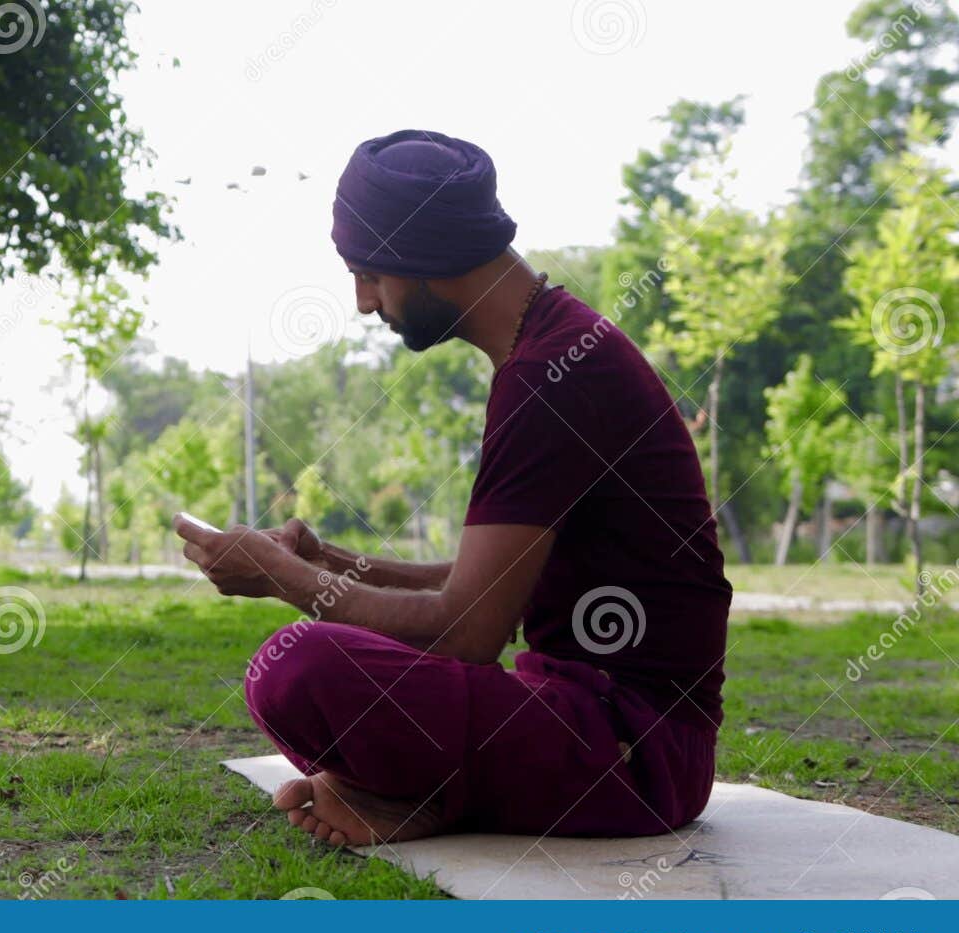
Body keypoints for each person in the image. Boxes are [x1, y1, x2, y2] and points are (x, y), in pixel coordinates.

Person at [174, 129, 731, 845]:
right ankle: (414, 799)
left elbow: (466, 633)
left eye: (370, 274)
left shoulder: (552, 376)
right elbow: (485, 584)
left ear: (426, 258)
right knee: (302, 669)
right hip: (591, 722)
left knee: (294, 668)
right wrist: (328, 561)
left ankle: (412, 791)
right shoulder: (549, 350)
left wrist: (281, 575)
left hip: (637, 754)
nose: (364, 302)